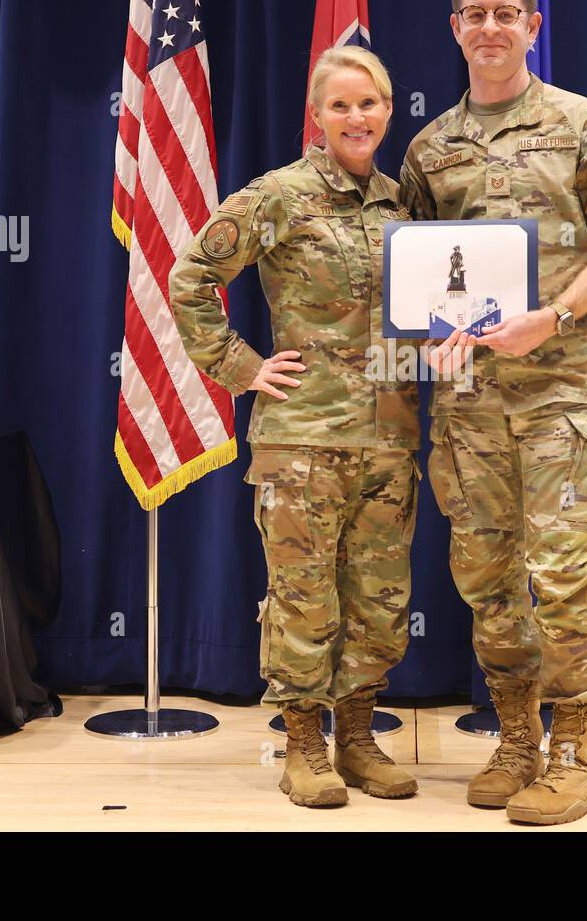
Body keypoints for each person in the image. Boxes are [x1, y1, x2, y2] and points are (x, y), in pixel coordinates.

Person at [400, 0, 587, 825]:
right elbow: (419, 275)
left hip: (562, 397)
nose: (491, 27)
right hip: (468, 407)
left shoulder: (585, 127)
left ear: (533, 26)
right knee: (486, 577)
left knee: (565, 573)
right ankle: (517, 741)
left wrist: (555, 316)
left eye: (508, 12)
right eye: (475, 14)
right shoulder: (431, 148)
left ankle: (578, 755)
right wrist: (428, 333)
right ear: (456, 28)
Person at [170, 46, 420, 808]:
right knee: (305, 598)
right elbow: (191, 279)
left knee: (378, 602)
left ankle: (356, 737)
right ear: (317, 115)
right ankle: (303, 745)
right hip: (303, 440)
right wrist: (242, 368)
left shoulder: (402, 205)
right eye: (340, 105)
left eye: (369, 104)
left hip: (389, 438)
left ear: (387, 111)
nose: (356, 118)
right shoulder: (277, 196)